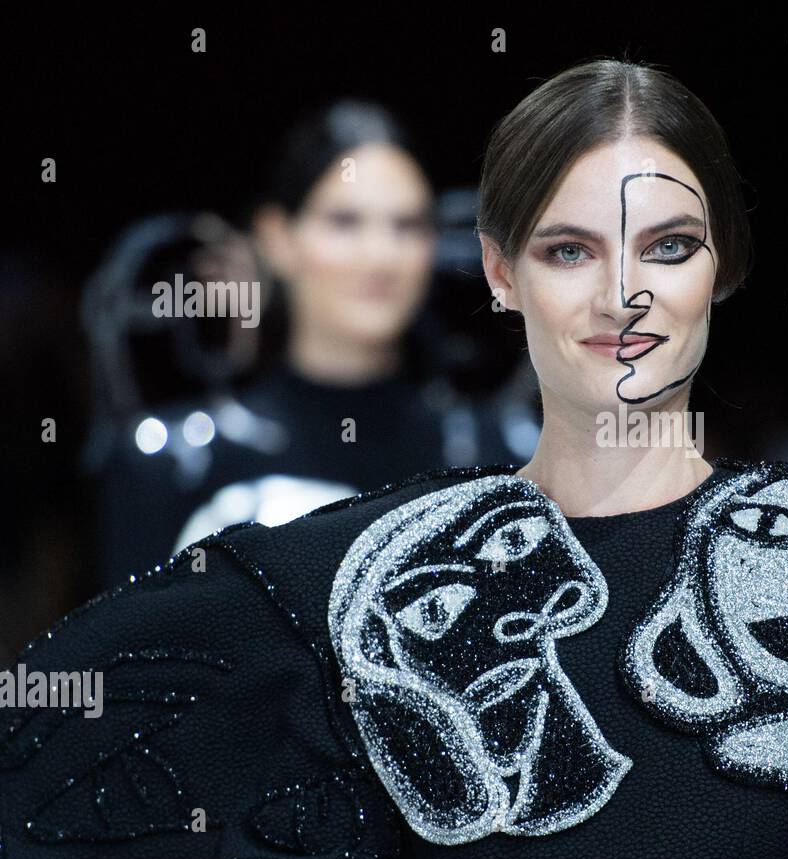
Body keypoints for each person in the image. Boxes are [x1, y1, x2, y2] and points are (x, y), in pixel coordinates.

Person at [0, 60, 788, 859]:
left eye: (667, 244)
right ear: (498, 270)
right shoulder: (324, 593)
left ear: (729, 267)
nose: (623, 296)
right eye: (565, 250)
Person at [93, 100, 533, 588]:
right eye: (345, 222)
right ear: (277, 237)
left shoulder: (500, 452)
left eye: (407, 226)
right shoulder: (176, 463)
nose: (380, 255)